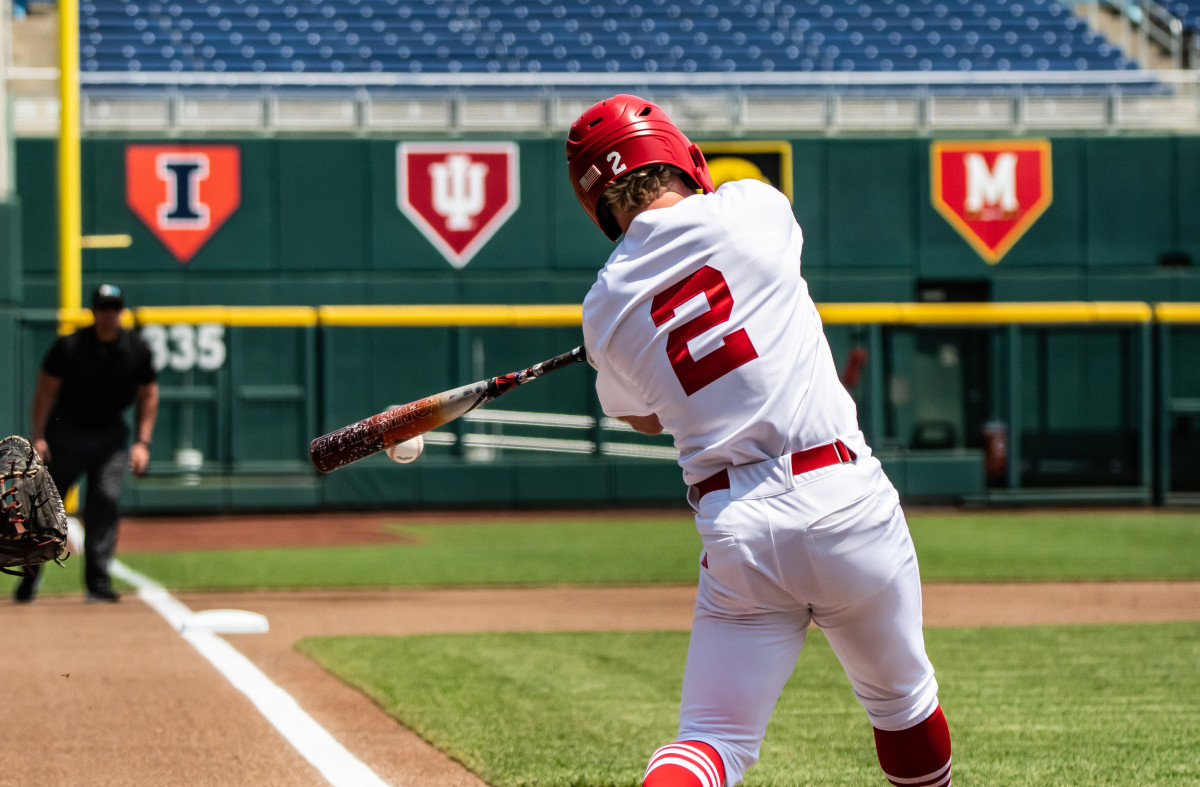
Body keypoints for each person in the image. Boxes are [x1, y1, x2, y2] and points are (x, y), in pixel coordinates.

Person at [566, 95, 952, 787]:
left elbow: (647, 416)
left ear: (598, 205)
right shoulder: (754, 207)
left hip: (737, 528)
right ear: (681, 156)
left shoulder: (603, 307)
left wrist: (615, 343)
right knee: (902, 704)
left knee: (710, 740)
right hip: (841, 497)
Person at [15, 284, 158, 603]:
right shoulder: (70, 347)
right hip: (66, 435)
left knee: (105, 501)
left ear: (121, 311)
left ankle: (97, 582)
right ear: (93, 311)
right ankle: (29, 578)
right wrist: (37, 436)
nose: (110, 314)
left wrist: (143, 443)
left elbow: (149, 394)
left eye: (115, 308)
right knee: (46, 509)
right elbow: (45, 392)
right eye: (104, 308)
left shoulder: (136, 349)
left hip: (110, 438)